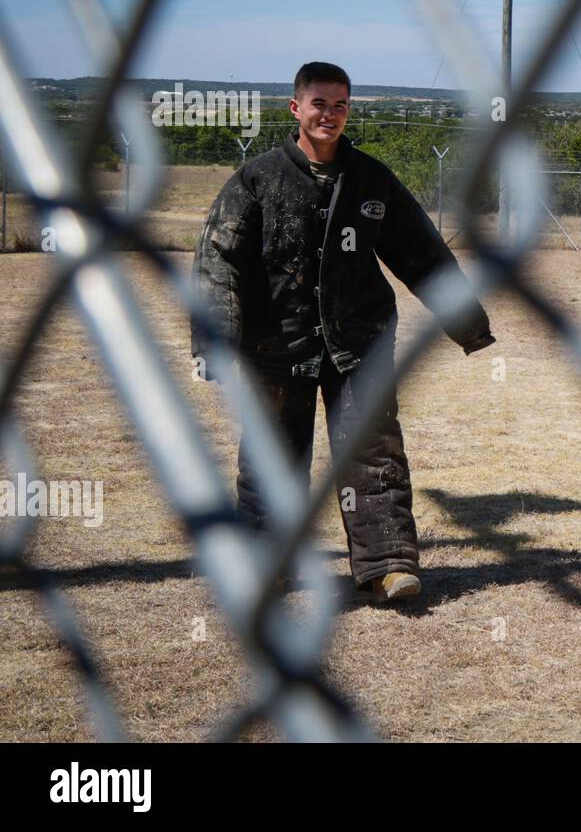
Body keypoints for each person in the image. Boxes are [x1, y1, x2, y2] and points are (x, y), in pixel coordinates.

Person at [190, 61, 496, 603]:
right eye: (320, 104)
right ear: (296, 108)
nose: (330, 115)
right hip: (275, 343)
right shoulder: (257, 179)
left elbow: (423, 254)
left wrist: (468, 325)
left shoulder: (372, 179)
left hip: (361, 342)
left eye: (340, 105)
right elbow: (218, 260)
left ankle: (388, 567)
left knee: (373, 451)